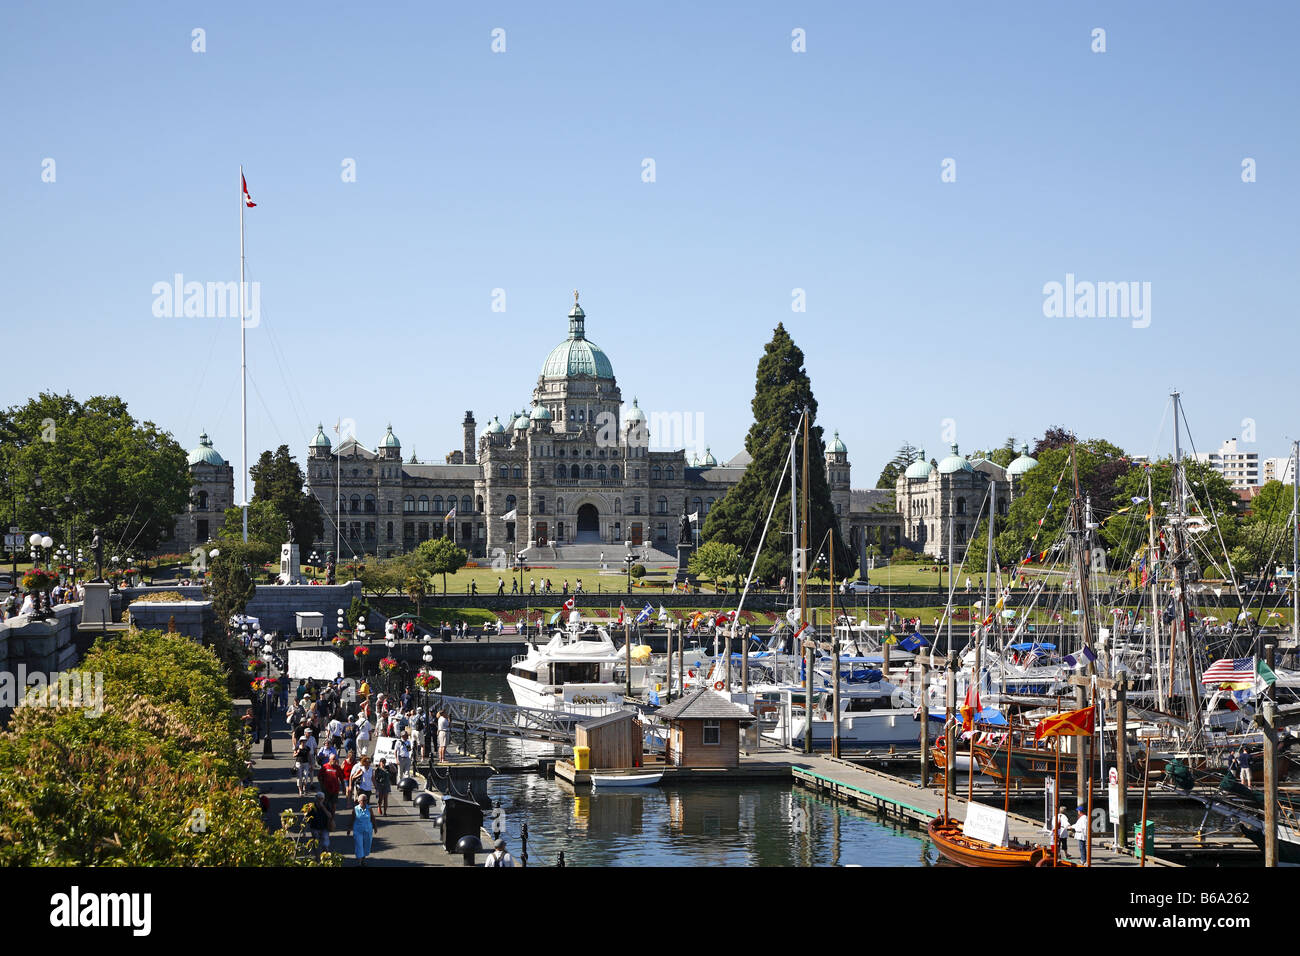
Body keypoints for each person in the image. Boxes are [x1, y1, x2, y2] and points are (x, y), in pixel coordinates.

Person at [307, 791, 333, 856]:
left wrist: (323, 807)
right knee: (316, 844)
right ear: (316, 798)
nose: (320, 800)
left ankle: (326, 857)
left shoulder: (326, 805)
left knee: (325, 844)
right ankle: (317, 858)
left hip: (324, 828)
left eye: (322, 799)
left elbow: (330, 815)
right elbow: (307, 818)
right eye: (319, 798)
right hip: (314, 828)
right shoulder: (311, 807)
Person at [351, 792, 374, 865]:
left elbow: (373, 818)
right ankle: (359, 862)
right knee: (359, 845)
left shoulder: (369, 808)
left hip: (368, 830)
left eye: (366, 800)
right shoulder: (355, 809)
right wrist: (349, 828)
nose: (364, 802)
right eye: (363, 801)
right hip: (358, 830)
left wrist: (375, 827)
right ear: (359, 801)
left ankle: (363, 859)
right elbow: (352, 819)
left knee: (366, 845)